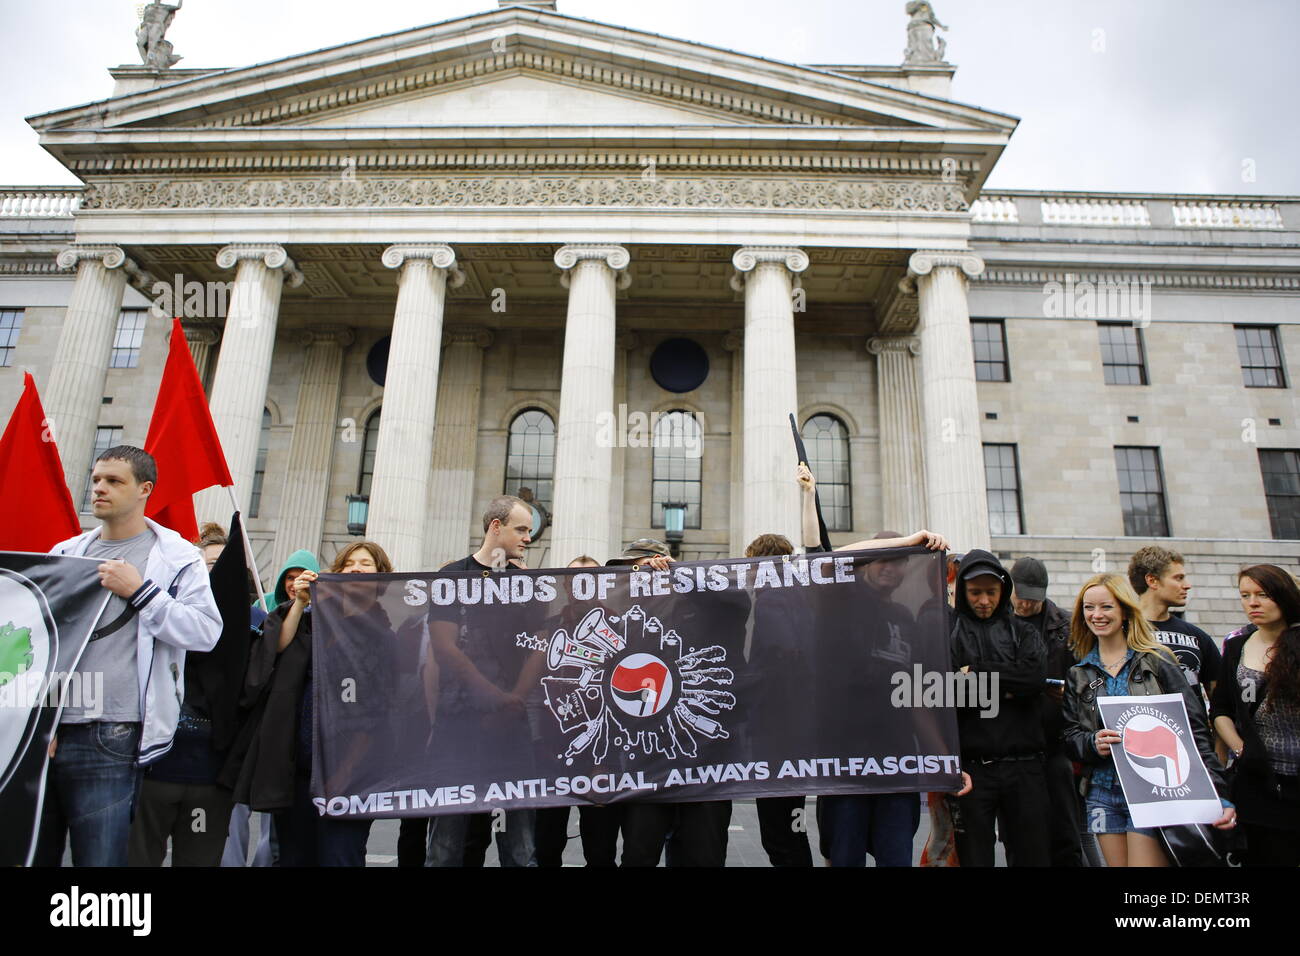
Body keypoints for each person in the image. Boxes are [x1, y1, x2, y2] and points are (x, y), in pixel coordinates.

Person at [37, 445, 221, 867]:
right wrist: (41, 721)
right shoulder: (65, 553)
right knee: (30, 852)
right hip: (49, 734)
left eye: (114, 481)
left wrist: (141, 592)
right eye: (97, 479)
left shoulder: (178, 559)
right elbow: (47, 644)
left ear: (145, 489)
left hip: (114, 732)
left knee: (100, 860)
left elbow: (205, 633)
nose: (99, 488)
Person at [222, 542, 391, 866]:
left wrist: (350, 767)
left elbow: (383, 708)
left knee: (340, 856)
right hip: (301, 766)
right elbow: (277, 648)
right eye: (349, 563)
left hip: (352, 774)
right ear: (337, 573)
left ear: (380, 576)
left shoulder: (384, 629)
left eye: (366, 564)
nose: (356, 568)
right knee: (294, 856)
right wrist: (299, 603)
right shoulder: (313, 618)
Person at [1062, 573, 1235, 867]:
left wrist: (1219, 793)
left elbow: (1194, 731)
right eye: (1089, 608)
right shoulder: (1080, 672)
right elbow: (1070, 737)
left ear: (1125, 611)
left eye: (1106, 607)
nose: (1097, 615)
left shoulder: (1157, 660)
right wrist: (1093, 743)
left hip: (1154, 792)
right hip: (1103, 794)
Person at [424, 496, 540, 867]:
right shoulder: (452, 576)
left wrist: (514, 699)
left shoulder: (532, 584)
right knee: (445, 846)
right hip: (457, 727)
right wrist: (494, 696)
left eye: (529, 532)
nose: (527, 539)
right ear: (495, 527)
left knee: (520, 849)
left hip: (513, 728)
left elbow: (540, 646)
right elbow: (444, 645)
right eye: (521, 529)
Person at [129, 523, 248, 866]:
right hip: (153, 773)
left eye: (223, 567)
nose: (215, 575)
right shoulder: (157, 622)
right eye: (208, 566)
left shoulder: (251, 628)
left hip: (209, 782)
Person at [949, 550, 1051, 867]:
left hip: (1025, 765)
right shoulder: (945, 633)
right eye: (975, 592)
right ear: (963, 593)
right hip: (972, 769)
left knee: (1032, 854)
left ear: (1003, 591)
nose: (983, 600)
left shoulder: (1024, 631)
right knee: (975, 857)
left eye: (991, 592)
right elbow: (944, 691)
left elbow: (1034, 679)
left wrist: (975, 672)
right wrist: (1009, 686)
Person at [533, 555, 627, 867]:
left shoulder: (619, 624)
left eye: (589, 578)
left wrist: (604, 759)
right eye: (574, 579)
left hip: (601, 753)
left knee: (600, 849)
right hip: (552, 747)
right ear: (565, 584)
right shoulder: (548, 628)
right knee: (546, 844)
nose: (581, 585)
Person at [1212, 565, 1300, 866]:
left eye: (1262, 595)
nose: (1252, 603)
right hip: (1257, 781)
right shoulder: (1236, 646)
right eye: (1245, 595)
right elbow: (1221, 708)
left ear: (1283, 596)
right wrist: (1241, 748)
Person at [1008, 556, 1084, 867]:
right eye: (1021, 597)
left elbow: (1085, 679)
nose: (1025, 605)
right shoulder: (998, 623)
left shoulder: (1066, 626)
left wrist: (1069, 694)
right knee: (1017, 836)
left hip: (1055, 742)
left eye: (1032, 599)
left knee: (1065, 831)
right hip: (1013, 742)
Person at [1128, 546, 1221, 706]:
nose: (1187, 585)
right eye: (1178, 578)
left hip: (1192, 728)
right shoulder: (1119, 632)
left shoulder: (1197, 637)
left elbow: (1221, 704)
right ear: (1152, 581)